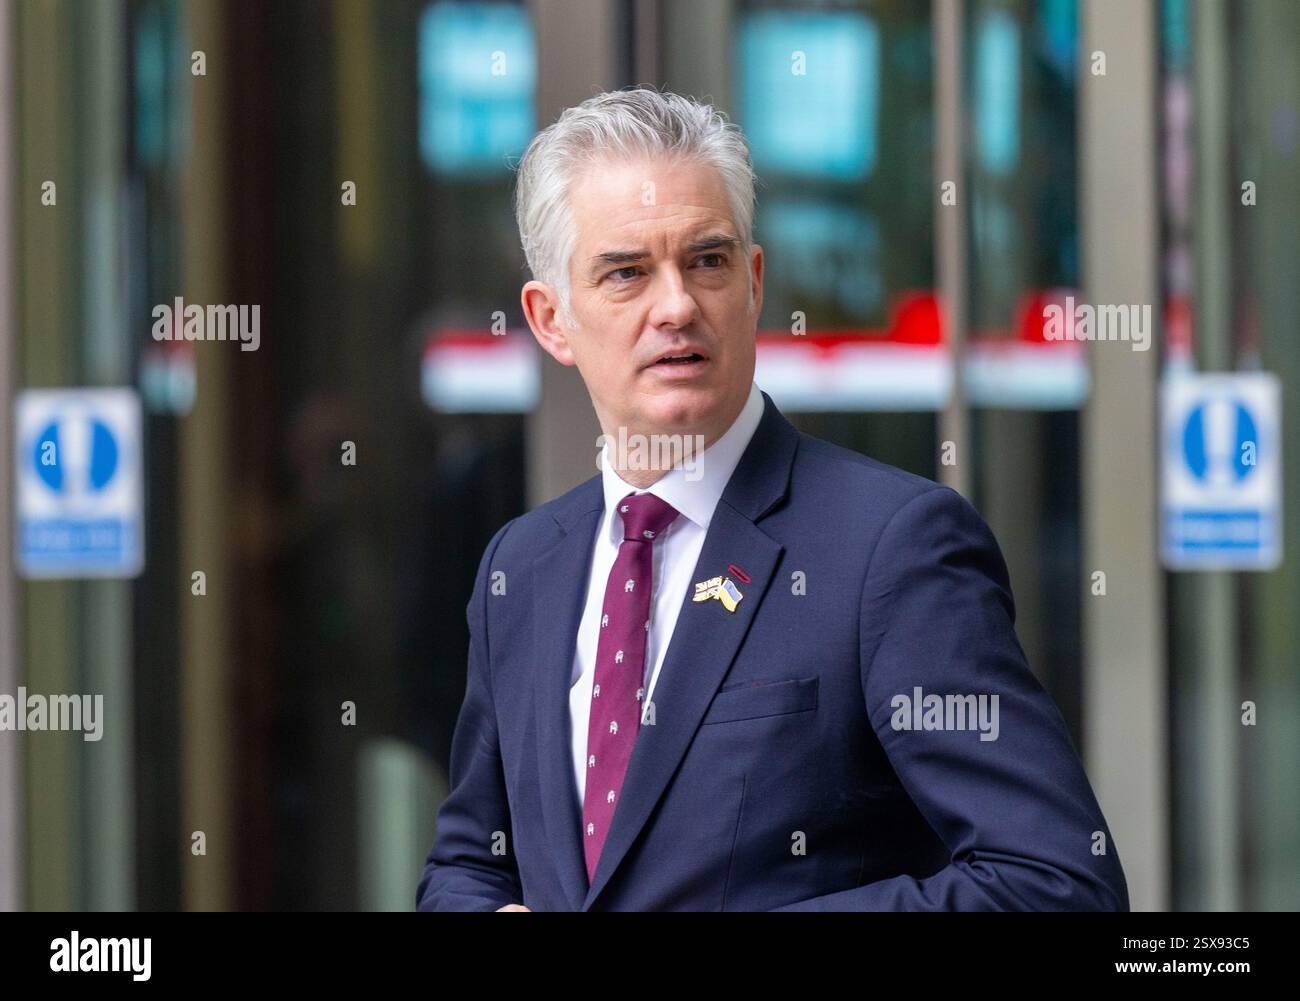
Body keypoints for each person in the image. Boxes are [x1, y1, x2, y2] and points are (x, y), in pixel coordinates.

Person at [416, 87, 1128, 911]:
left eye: (707, 260)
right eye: (626, 273)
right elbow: (468, 865)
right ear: (552, 320)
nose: (677, 305)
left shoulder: (893, 548)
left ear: (754, 285)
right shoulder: (522, 567)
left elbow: (1058, 883)